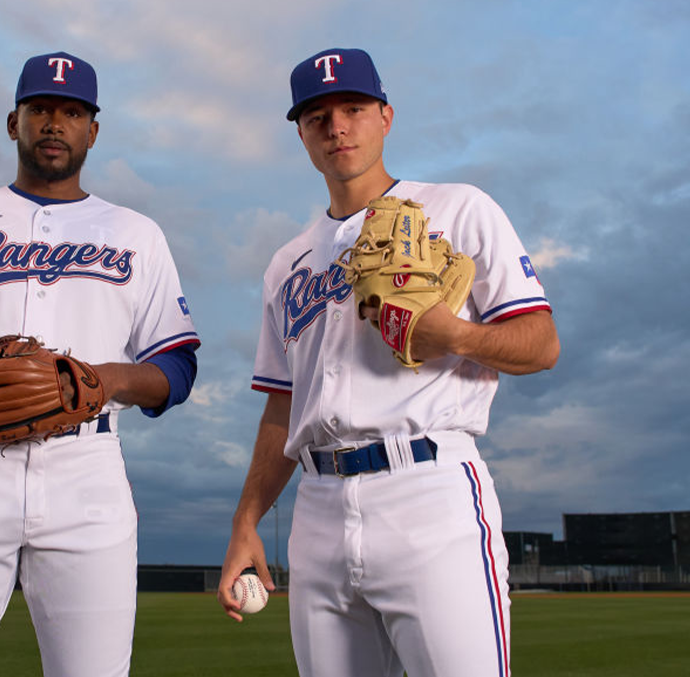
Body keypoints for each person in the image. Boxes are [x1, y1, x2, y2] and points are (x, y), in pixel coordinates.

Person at [217, 48, 559, 677]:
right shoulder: (286, 264)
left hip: (427, 491)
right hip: (317, 508)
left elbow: (541, 344)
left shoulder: (458, 209)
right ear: (302, 135)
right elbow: (283, 406)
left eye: (352, 108)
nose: (336, 127)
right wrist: (246, 521)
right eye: (317, 117)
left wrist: (457, 335)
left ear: (386, 117)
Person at [0, 51, 201, 677]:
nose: (54, 123)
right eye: (40, 108)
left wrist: (99, 381)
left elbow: (176, 369)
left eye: (71, 112)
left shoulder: (137, 234)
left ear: (92, 131)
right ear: (12, 122)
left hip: (88, 471)